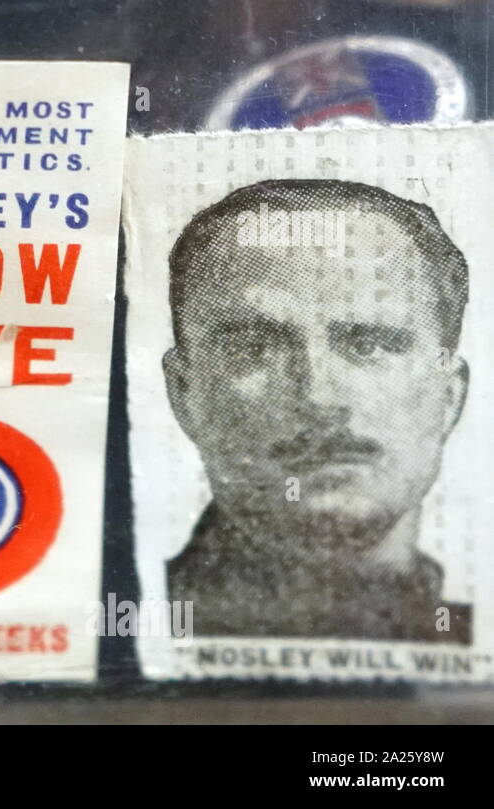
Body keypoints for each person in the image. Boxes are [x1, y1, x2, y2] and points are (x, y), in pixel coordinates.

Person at [162, 179, 470, 642]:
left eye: (367, 344)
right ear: (185, 394)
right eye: (256, 348)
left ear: (449, 397)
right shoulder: (133, 629)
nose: (320, 398)